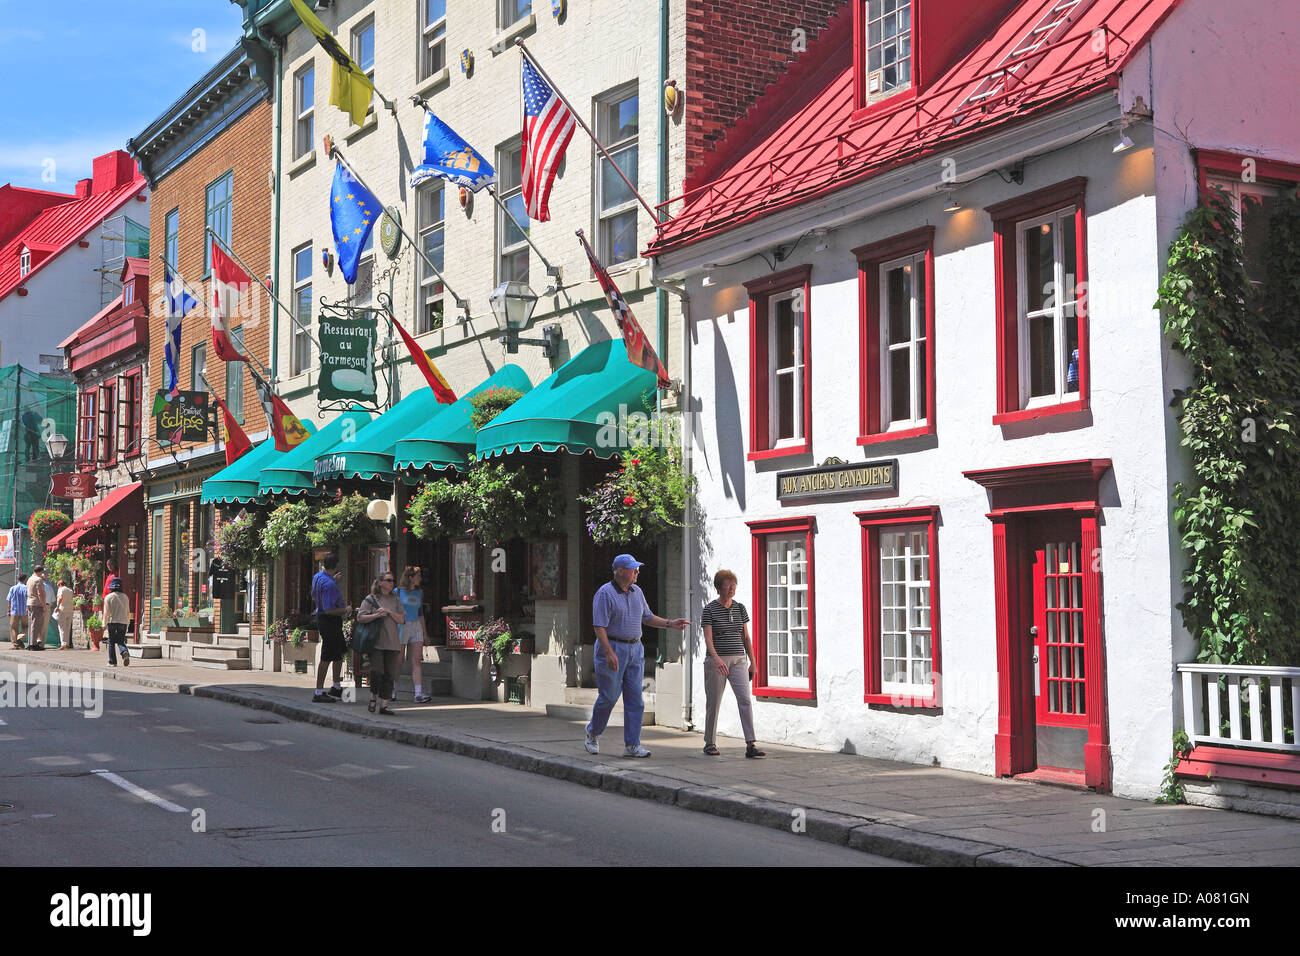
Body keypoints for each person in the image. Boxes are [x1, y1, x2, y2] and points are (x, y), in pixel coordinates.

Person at [584, 554, 689, 758]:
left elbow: (647, 617)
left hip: (635, 649)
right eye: (633, 569)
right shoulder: (605, 594)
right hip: (613, 647)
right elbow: (599, 626)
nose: (637, 572)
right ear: (620, 571)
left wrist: (670, 623)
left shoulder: (637, 591)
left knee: (636, 700)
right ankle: (592, 733)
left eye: (637, 569)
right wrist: (609, 652)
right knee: (609, 696)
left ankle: (632, 745)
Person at [701, 570, 765, 758]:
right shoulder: (710, 609)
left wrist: (753, 661)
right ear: (719, 588)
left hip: (738, 659)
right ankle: (709, 742)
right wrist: (716, 658)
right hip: (717, 661)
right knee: (714, 702)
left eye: (734, 585)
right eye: (728, 586)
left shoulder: (739, 608)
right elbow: (708, 639)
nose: (731, 589)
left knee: (745, 699)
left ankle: (751, 744)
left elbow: (745, 636)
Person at [357, 572, 403, 715]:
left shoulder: (395, 600)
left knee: (390, 674)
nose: (391, 583)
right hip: (376, 642)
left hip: (393, 642)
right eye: (389, 580)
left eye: (393, 580)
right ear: (380, 583)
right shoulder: (370, 599)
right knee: (377, 671)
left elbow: (402, 619)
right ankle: (373, 697)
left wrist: (389, 612)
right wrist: (376, 614)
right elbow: (360, 617)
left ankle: (384, 705)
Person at [310, 554, 352, 704]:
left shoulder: (318, 577)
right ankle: (318, 692)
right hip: (329, 620)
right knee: (327, 656)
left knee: (339, 651)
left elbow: (315, 596)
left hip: (324, 619)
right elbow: (328, 610)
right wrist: (345, 610)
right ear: (336, 566)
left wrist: (333, 579)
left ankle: (336, 686)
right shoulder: (330, 585)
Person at [396, 566, 431, 704]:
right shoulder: (397, 592)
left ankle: (418, 693)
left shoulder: (419, 592)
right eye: (418, 576)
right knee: (398, 660)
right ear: (411, 577)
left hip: (415, 625)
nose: (420, 579)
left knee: (416, 660)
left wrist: (425, 633)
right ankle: (393, 689)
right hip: (401, 625)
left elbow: (420, 613)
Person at [103, 578, 131, 667]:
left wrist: (104, 623)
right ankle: (124, 651)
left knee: (111, 641)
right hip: (123, 621)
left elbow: (106, 612)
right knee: (121, 641)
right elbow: (127, 611)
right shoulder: (125, 597)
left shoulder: (108, 597)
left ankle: (112, 661)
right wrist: (128, 622)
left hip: (112, 621)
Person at [25, 564, 47, 651]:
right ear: (40, 571)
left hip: (29, 602)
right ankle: (33, 644)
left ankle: (30, 643)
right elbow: (40, 593)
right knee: (36, 624)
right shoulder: (38, 580)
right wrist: (44, 605)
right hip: (36, 603)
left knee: (31, 624)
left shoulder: (29, 579)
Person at [54, 575, 76, 650]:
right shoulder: (70, 590)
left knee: (62, 627)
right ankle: (67, 644)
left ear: (60, 585)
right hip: (70, 610)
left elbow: (60, 598)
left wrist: (57, 606)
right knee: (67, 627)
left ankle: (63, 644)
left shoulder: (61, 589)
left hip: (62, 609)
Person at [7, 572, 28, 649]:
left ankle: (16, 645)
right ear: (25, 579)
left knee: (13, 628)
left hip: (14, 611)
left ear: (18, 579)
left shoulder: (12, 588)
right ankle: (20, 638)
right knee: (26, 626)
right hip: (24, 611)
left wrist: (8, 610)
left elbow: (9, 600)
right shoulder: (26, 588)